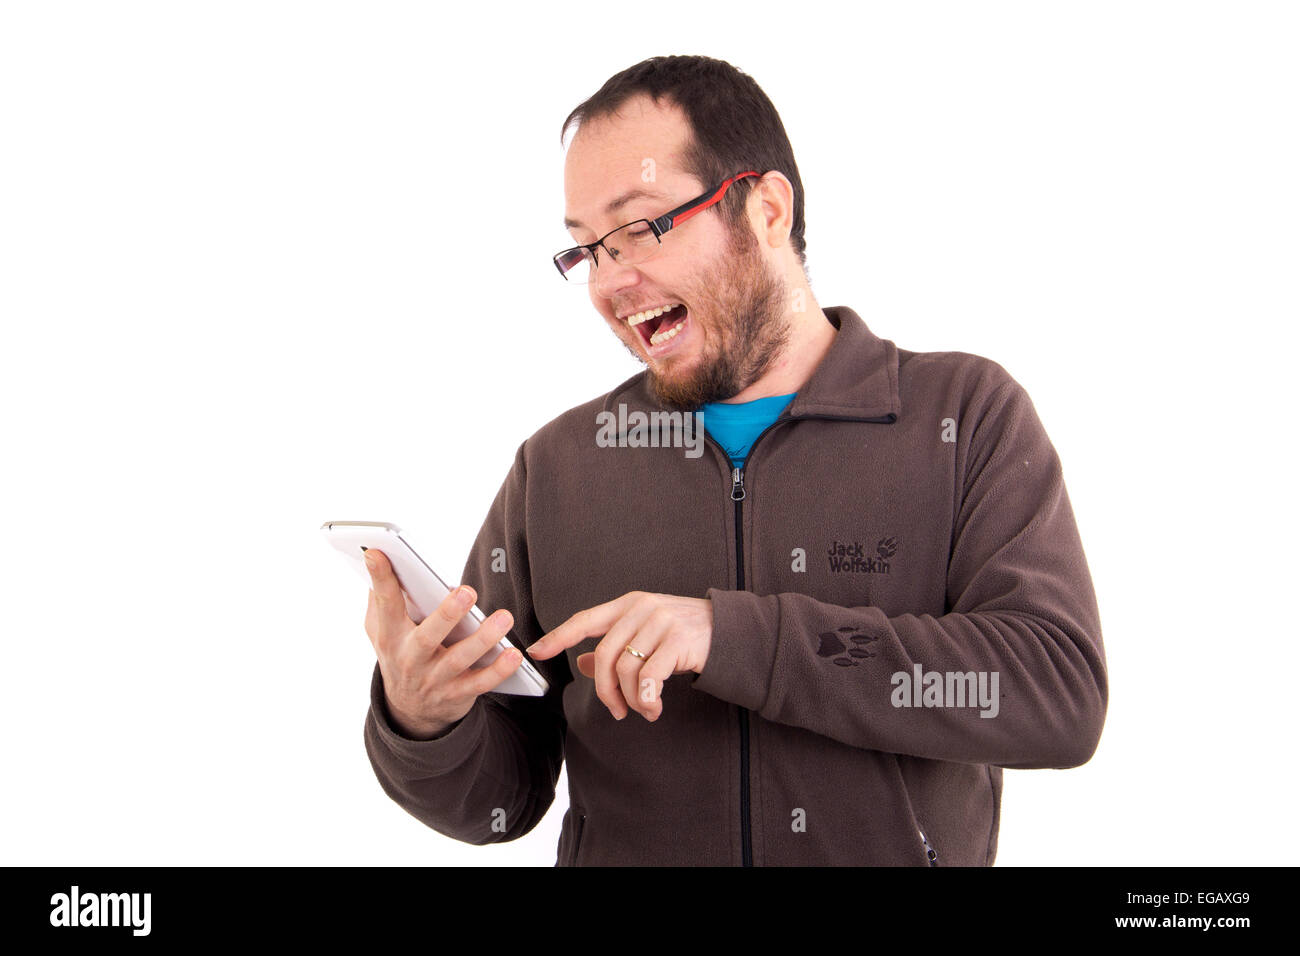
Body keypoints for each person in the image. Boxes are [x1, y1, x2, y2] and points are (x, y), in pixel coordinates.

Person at [361, 55, 1107, 866]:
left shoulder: (962, 417)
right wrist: (421, 719)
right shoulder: (559, 468)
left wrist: (734, 639)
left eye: (641, 227)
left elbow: (1058, 695)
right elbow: (503, 801)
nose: (611, 280)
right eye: (586, 250)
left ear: (766, 210)